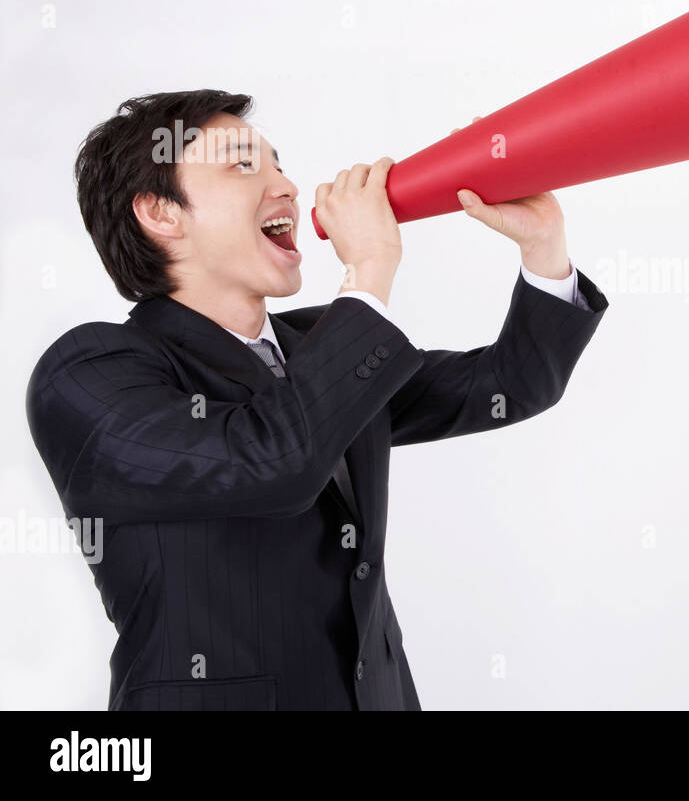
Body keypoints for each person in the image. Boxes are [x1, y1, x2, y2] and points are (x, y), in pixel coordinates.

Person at [24, 89, 609, 710]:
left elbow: (509, 386)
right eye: (244, 165)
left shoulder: (323, 348)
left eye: (279, 164)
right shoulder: (90, 372)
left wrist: (544, 248)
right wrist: (370, 269)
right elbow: (270, 461)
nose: (288, 187)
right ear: (162, 214)